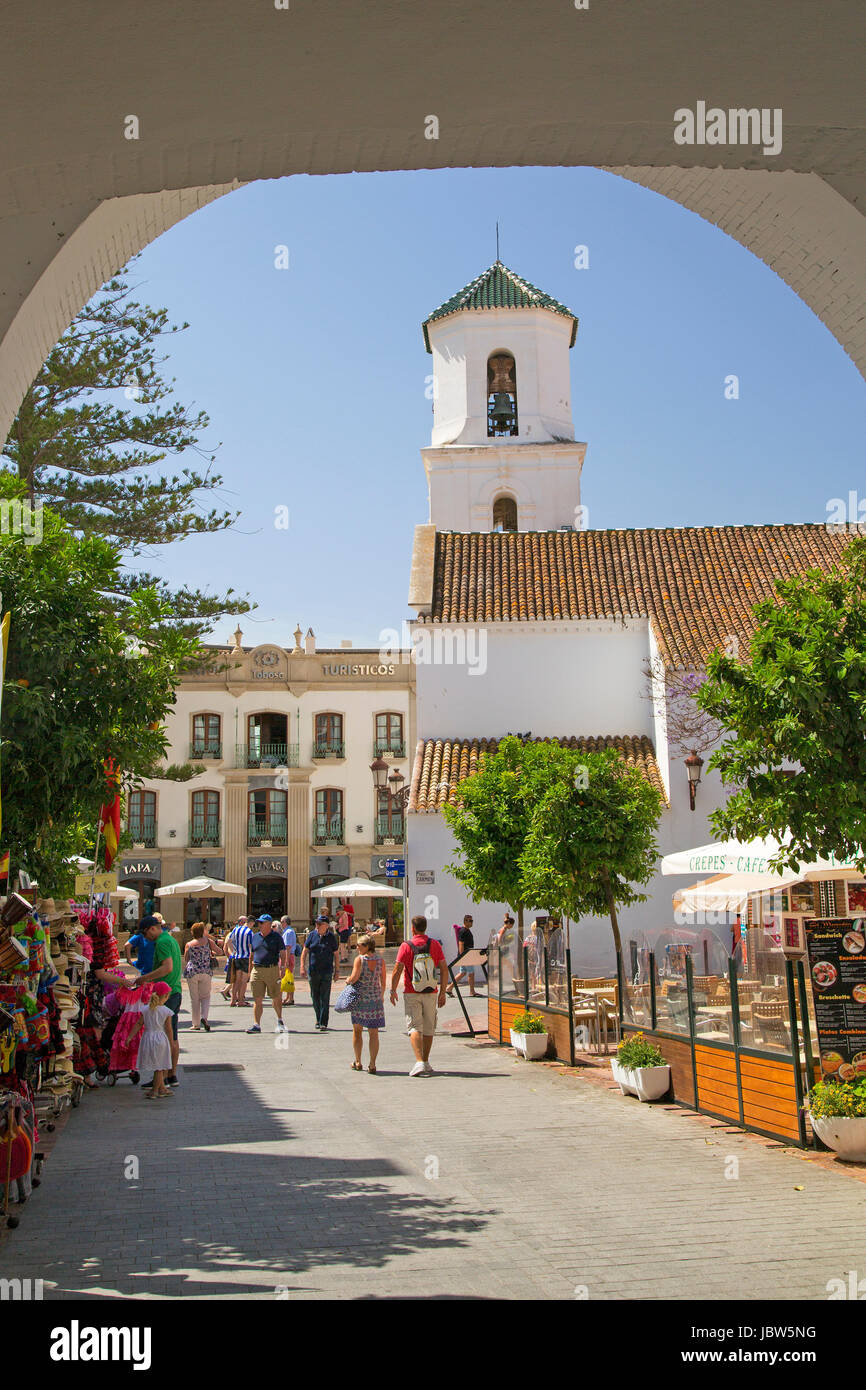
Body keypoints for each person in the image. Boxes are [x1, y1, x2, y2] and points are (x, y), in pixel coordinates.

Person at [390, 915, 447, 1076]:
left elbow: (397, 970)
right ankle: (426, 1061)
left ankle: (419, 1061)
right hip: (431, 992)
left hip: (411, 991)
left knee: (414, 1027)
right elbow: (444, 968)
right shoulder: (434, 944)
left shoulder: (406, 946)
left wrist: (393, 990)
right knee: (429, 1027)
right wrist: (442, 992)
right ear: (425, 927)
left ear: (413, 928)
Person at [136, 918, 184, 1086]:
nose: (144, 937)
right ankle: (171, 1075)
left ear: (151, 929)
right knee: (172, 1035)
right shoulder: (170, 938)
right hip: (174, 991)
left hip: (166, 994)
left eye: (144, 933)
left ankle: (161, 1079)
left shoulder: (162, 942)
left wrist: (144, 978)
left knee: (163, 1036)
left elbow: (167, 967)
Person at [345, 932, 386, 1072]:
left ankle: (358, 1061)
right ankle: (372, 1064)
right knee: (373, 1032)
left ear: (367, 946)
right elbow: (383, 982)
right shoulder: (381, 961)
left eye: (359, 945)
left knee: (357, 1030)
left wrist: (348, 980)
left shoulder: (360, 960)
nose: (357, 947)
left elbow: (354, 977)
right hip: (375, 999)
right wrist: (380, 995)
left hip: (361, 998)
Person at [246, 915, 288, 1035]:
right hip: (257, 969)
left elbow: (283, 953)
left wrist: (283, 967)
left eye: (262, 923)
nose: (259, 925)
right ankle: (256, 1024)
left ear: (269, 924)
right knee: (257, 998)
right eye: (259, 923)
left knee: (276, 997)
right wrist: (250, 971)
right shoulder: (255, 937)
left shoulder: (276, 937)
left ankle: (280, 1020)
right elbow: (252, 955)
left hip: (272, 969)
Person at [301, 914, 340, 1031]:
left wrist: (337, 970)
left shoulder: (331, 937)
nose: (317, 926)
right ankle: (318, 1018)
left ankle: (323, 1022)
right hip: (313, 971)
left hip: (327, 971)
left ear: (326, 925)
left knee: (325, 996)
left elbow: (336, 955)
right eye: (316, 923)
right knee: (315, 996)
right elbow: (305, 951)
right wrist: (302, 966)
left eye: (319, 924)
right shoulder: (312, 935)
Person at [135, 983, 174, 1099]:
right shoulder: (166, 1011)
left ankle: (161, 1088)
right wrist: (171, 1043)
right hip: (160, 1039)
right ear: (166, 996)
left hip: (148, 1037)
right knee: (159, 1067)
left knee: (158, 1065)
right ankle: (155, 1090)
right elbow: (169, 1029)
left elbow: (138, 1024)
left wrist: (129, 1037)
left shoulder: (146, 1009)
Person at [182, 922, 216, 1031]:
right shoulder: (208, 941)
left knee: (194, 999)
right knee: (205, 996)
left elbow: (186, 958)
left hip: (193, 972)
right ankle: (204, 1017)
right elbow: (219, 951)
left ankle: (195, 1024)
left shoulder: (189, 944)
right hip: (206, 971)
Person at [446, 914, 478, 997]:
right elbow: (461, 944)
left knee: (463, 973)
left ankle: (449, 988)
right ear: (466, 921)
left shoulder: (466, 930)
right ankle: (472, 992)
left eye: (472, 921)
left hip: (467, 955)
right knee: (471, 973)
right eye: (470, 921)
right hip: (466, 956)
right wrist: (462, 956)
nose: (472, 922)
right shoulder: (463, 931)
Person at [226, 915, 253, 1006]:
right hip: (246, 957)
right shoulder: (249, 932)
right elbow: (251, 946)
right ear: (251, 923)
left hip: (237, 956)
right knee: (244, 980)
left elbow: (229, 941)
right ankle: (241, 1000)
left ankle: (233, 1000)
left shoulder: (236, 929)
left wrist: (233, 952)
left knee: (237, 979)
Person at [279, 915, 297, 1005]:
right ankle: (288, 997)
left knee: (288, 977)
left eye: (282, 922)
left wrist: (286, 959)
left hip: (288, 956)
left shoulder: (288, 932)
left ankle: (291, 998)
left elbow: (288, 947)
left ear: (285, 922)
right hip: (288, 955)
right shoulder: (287, 931)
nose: (281, 923)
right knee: (287, 977)